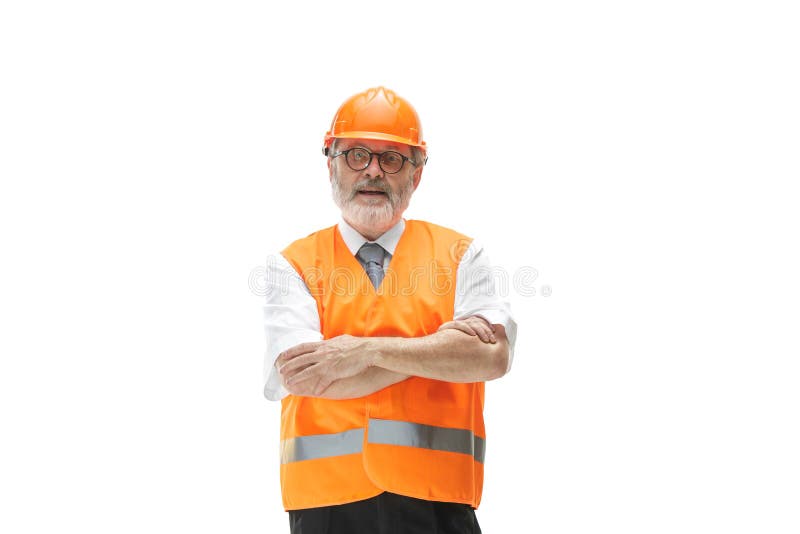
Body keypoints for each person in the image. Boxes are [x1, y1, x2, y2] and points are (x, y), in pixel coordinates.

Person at [263, 86, 517, 534]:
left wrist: (359, 352)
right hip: (326, 505)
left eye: (392, 158)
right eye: (357, 155)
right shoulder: (292, 265)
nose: (373, 171)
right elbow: (306, 376)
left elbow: (491, 357)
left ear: (416, 175)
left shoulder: (462, 255)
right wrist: (440, 349)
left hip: (439, 502)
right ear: (331, 166)